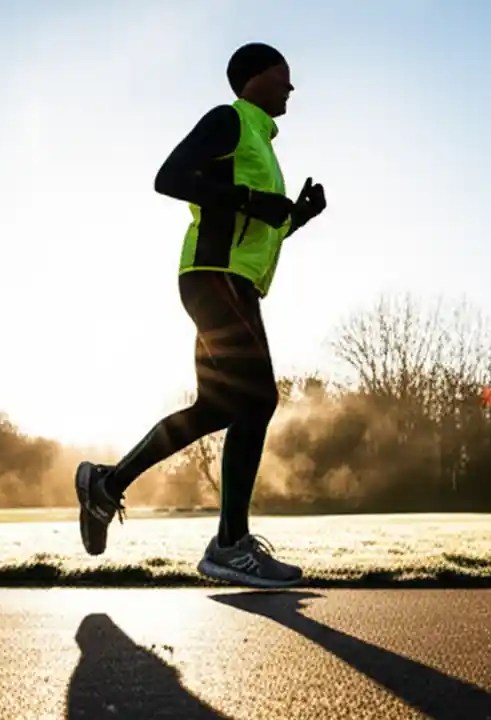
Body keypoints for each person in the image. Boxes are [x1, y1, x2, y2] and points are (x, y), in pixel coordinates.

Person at [73, 42, 326, 588]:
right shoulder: (228, 121)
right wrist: (250, 200)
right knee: (257, 400)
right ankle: (230, 545)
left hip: (233, 285)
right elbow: (170, 177)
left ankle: (107, 484)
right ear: (254, 76)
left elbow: (251, 225)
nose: (291, 87)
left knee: (218, 407)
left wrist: (295, 218)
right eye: (284, 76)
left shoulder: (259, 139)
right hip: (213, 278)